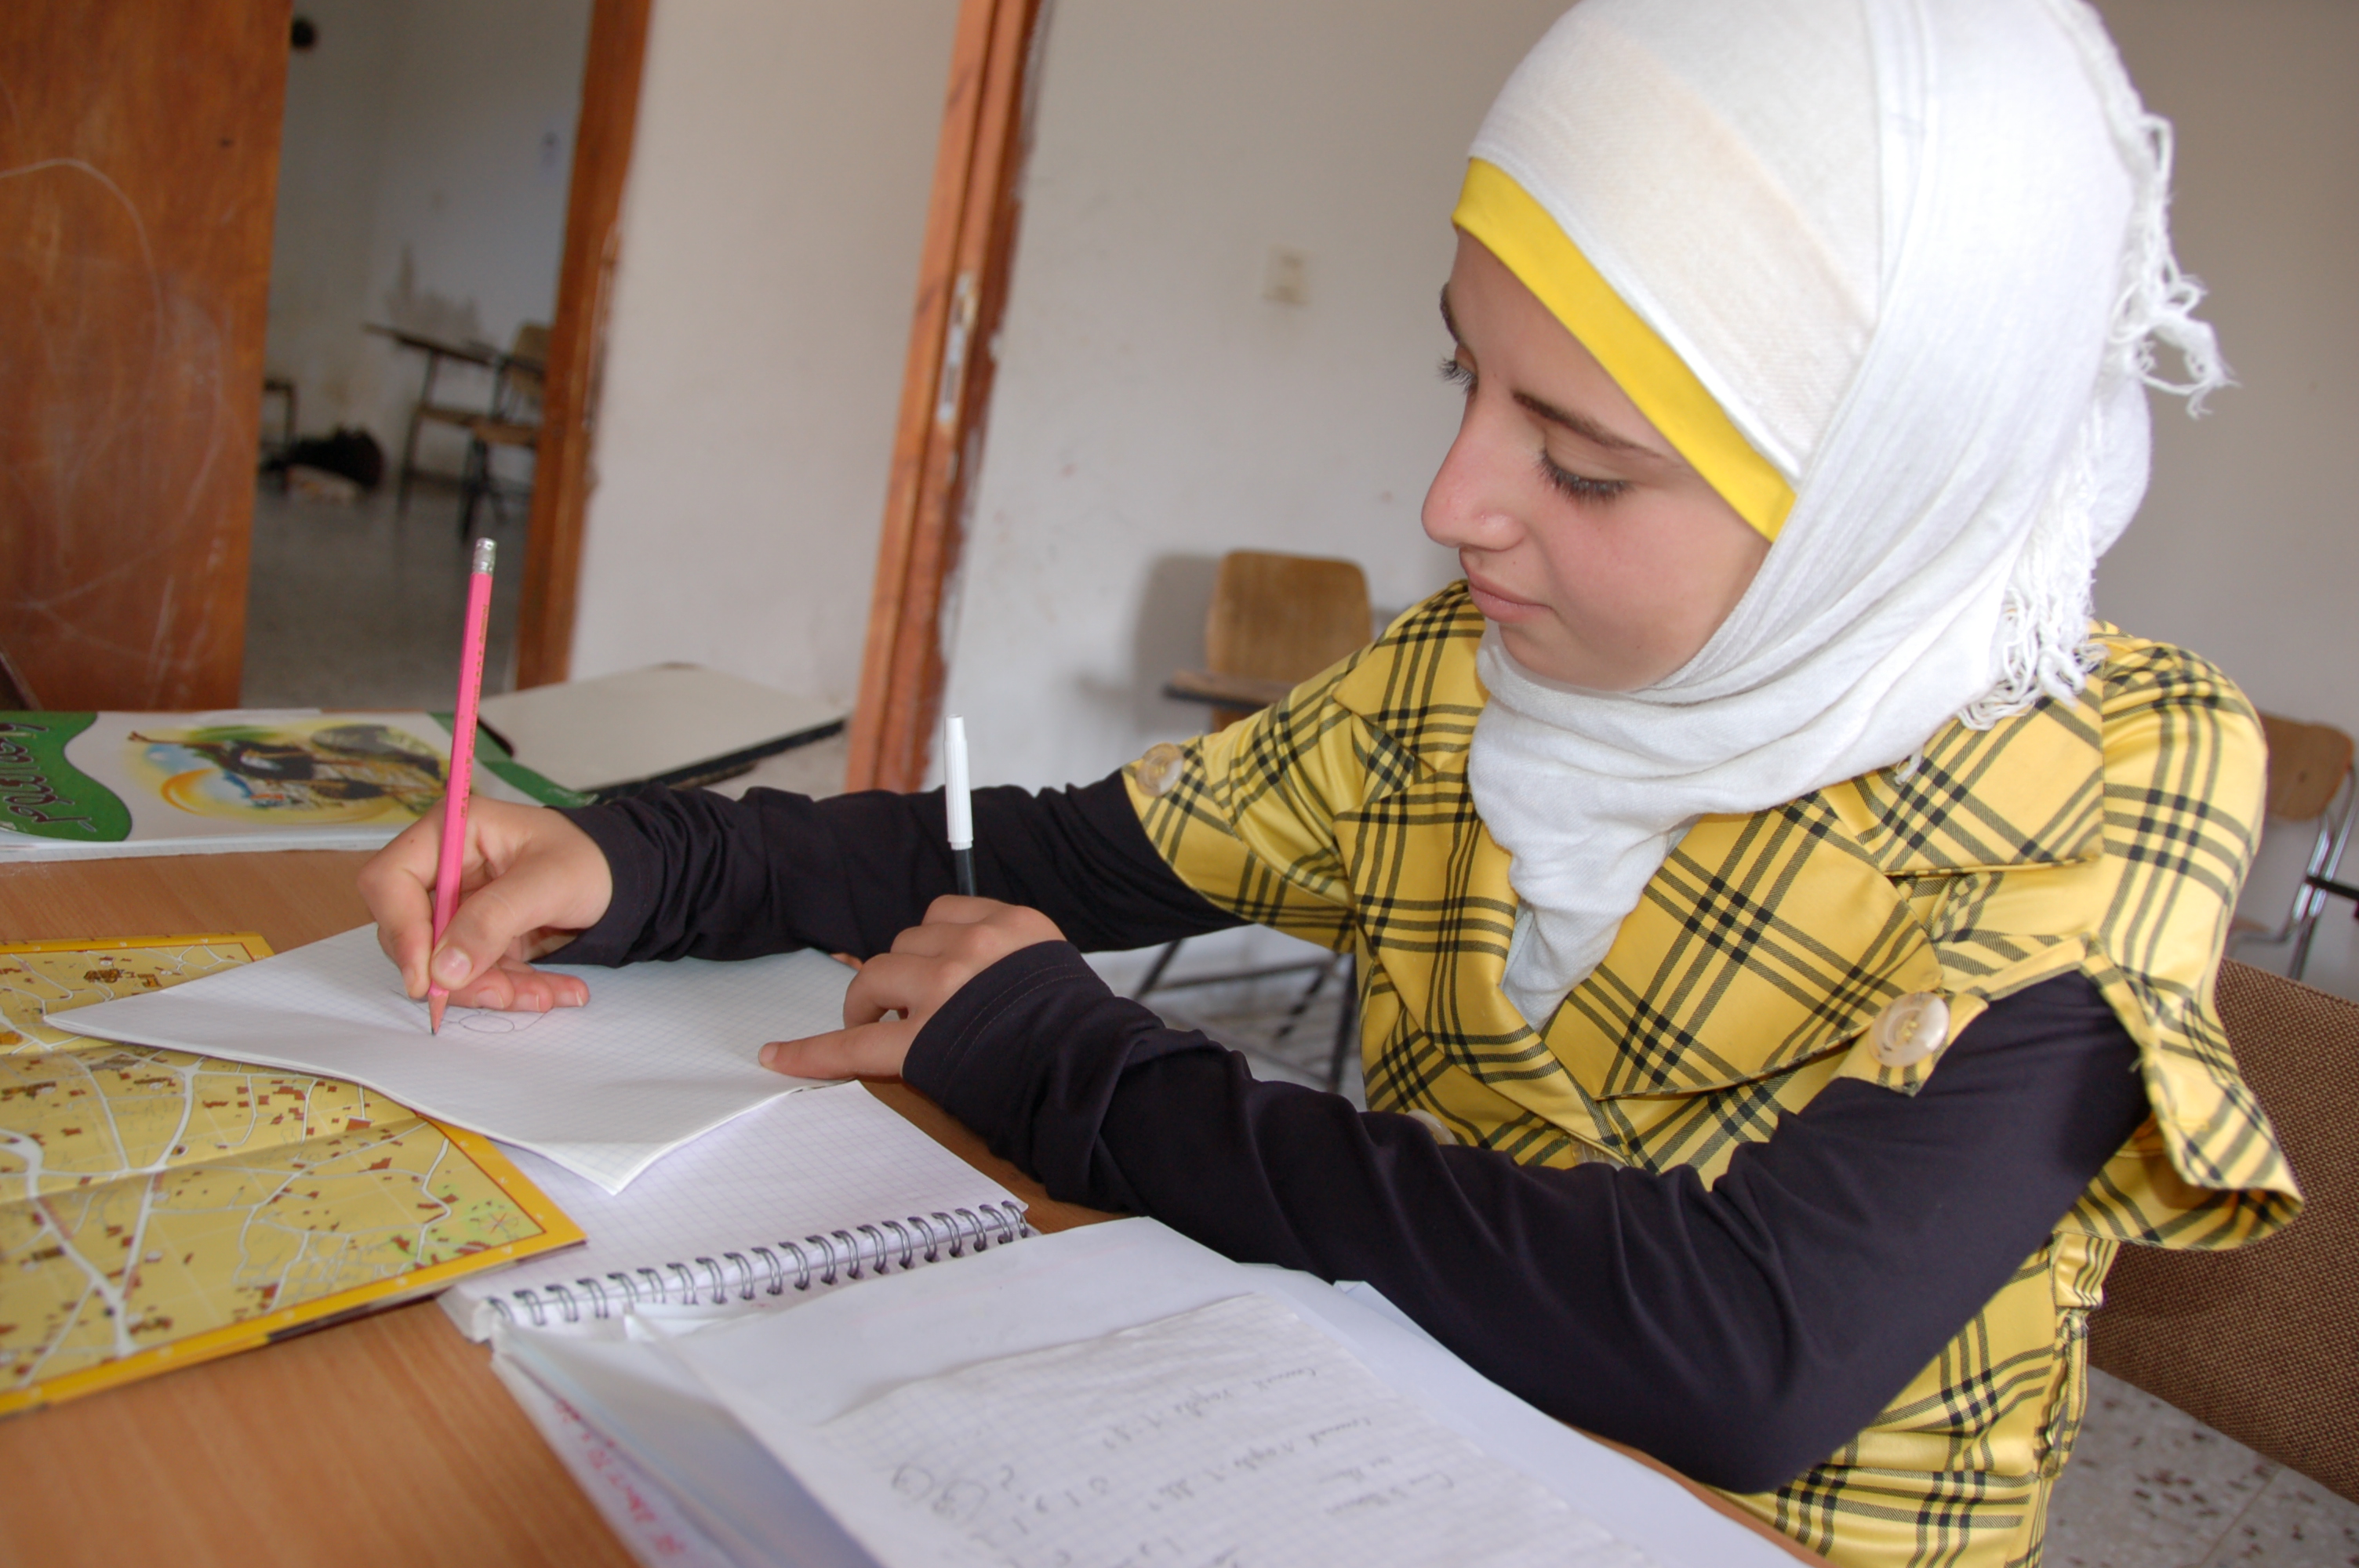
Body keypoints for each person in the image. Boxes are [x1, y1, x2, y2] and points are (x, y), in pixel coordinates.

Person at [358, 2, 2299, 1563]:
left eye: (1585, 462)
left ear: (1896, 493)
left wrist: (1077, 1072)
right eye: (1458, 378)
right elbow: (1045, 853)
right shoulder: (1451, 683)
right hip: (1378, 1448)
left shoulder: (2111, 767)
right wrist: (646, 859)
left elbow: (1747, 1348)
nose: (1453, 503)